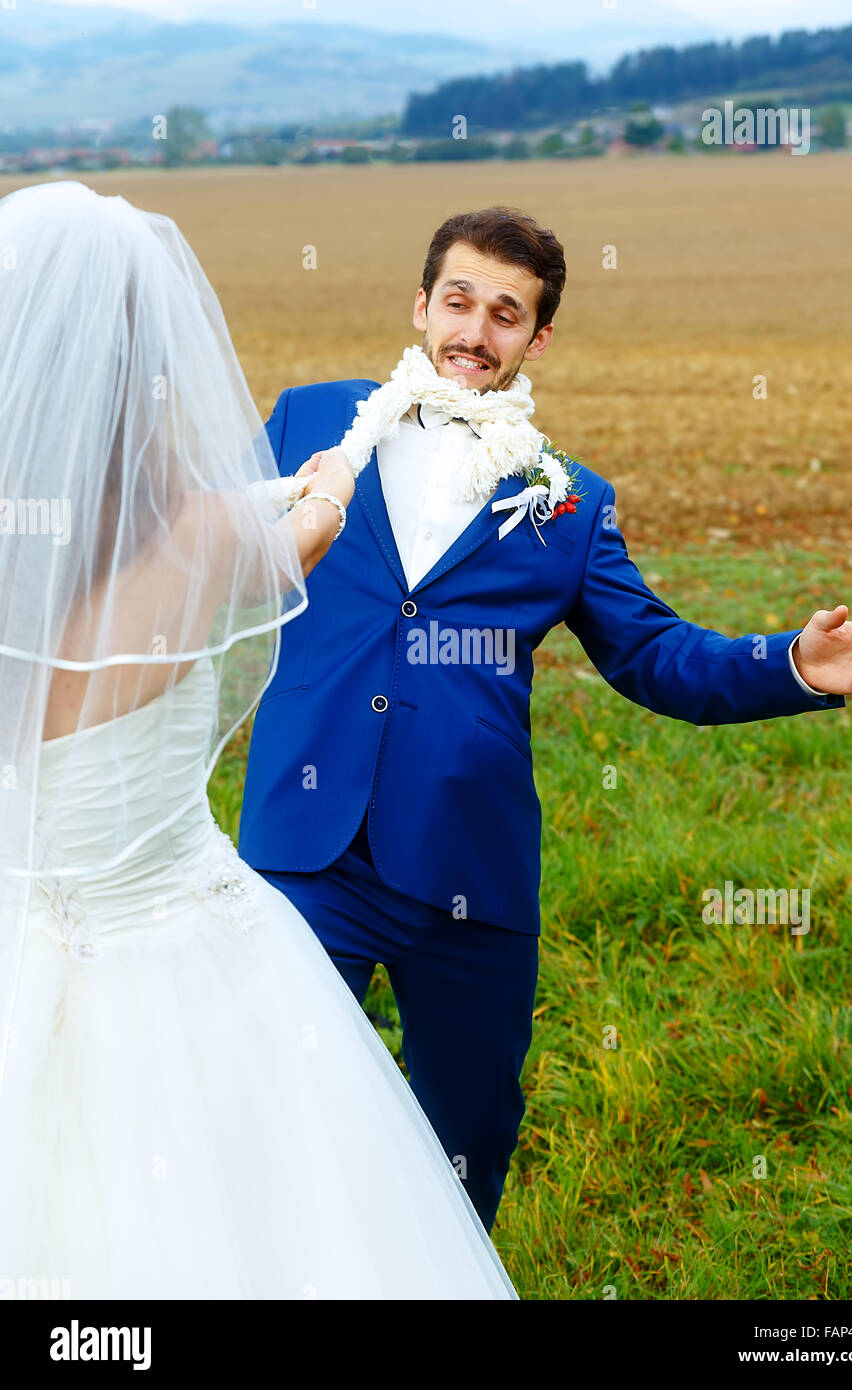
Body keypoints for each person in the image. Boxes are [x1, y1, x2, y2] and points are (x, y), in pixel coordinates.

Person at [238, 205, 852, 1234]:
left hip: (468, 873)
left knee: (466, 1149)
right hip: (304, 845)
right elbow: (194, 539)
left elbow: (650, 654)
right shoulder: (306, 419)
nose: (474, 330)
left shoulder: (565, 500)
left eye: (505, 314)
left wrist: (795, 665)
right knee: (272, 1112)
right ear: (420, 306)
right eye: (456, 300)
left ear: (535, 338)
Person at [0, 182, 517, 1300]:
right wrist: (332, 468)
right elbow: (312, 528)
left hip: (24, 938)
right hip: (180, 939)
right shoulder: (197, 540)